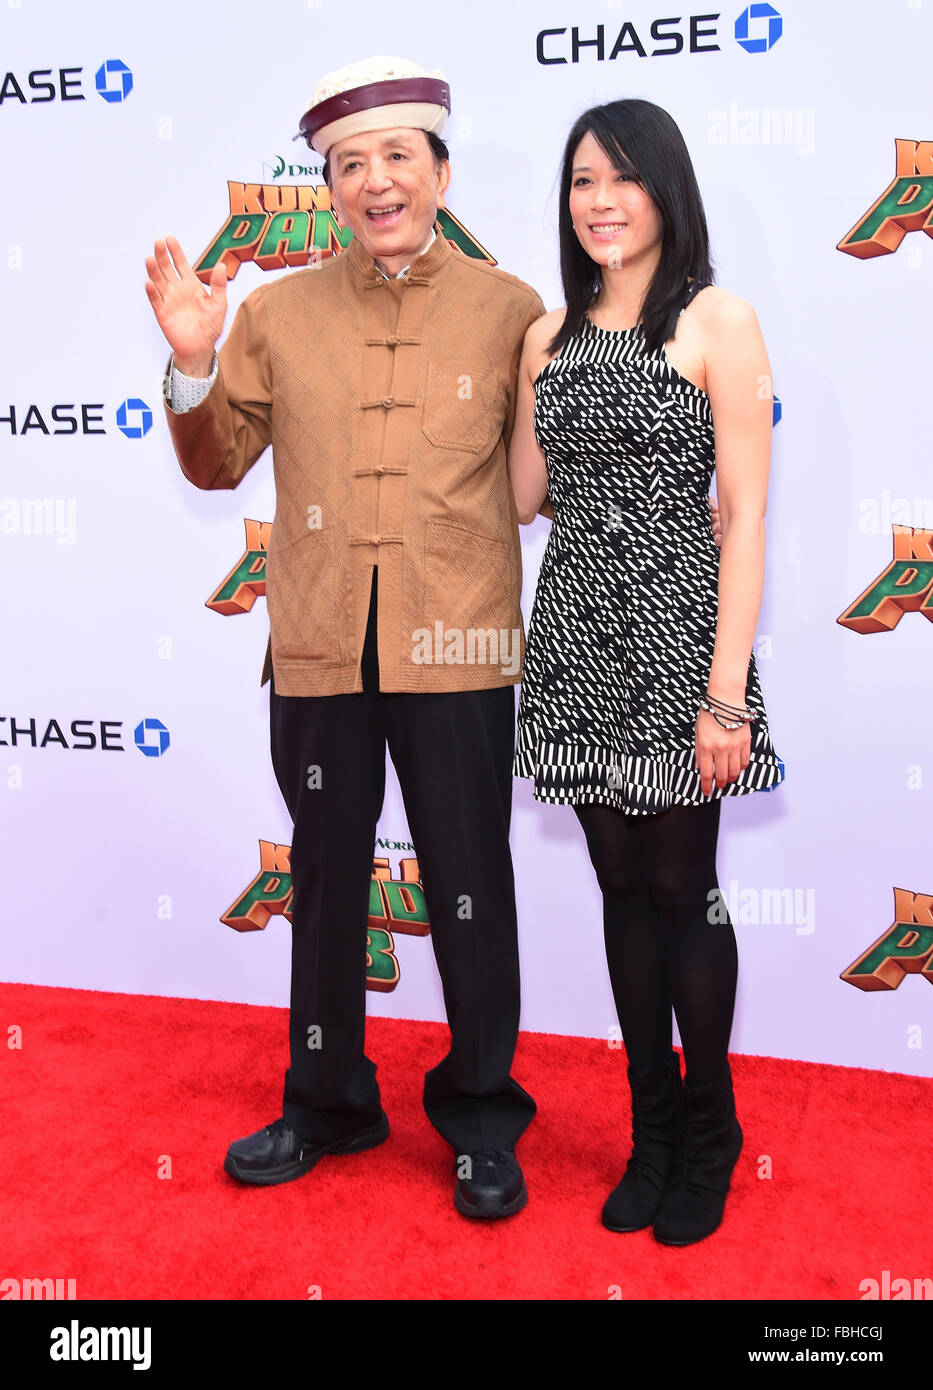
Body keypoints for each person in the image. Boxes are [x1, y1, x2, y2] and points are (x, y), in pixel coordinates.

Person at [145, 56, 546, 1219]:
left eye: (396, 159)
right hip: (321, 644)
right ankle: (328, 1101)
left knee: (468, 883)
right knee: (325, 881)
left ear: (440, 172)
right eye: (348, 165)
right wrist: (190, 362)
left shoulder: (511, 306)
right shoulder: (275, 311)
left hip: (461, 644)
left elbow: (542, 479)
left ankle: (479, 1114)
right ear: (325, 185)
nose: (375, 182)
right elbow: (218, 461)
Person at [508, 98, 785, 1245]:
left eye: (622, 177)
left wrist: (726, 691)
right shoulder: (545, 337)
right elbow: (522, 500)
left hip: (679, 641)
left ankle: (710, 1128)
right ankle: (652, 1127)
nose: (601, 200)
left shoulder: (718, 319)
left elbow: (749, 519)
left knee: (685, 887)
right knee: (621, 887)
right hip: (574, 635)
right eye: (582, 181)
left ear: (666, 189)